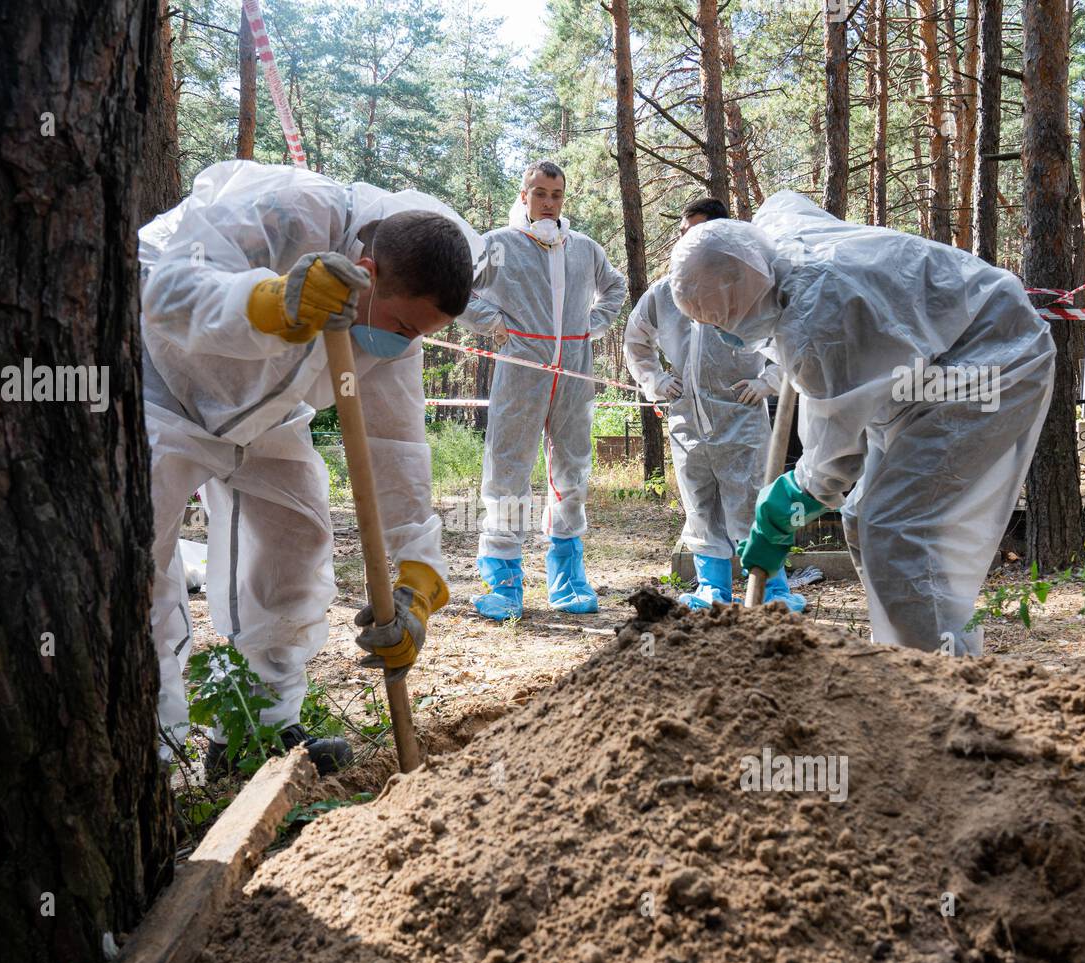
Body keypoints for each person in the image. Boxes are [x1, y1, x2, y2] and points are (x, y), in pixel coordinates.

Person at [140, 160, 482, 771]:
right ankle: (150, 748)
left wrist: (418, 574)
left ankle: (258, 729)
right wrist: (273, 299)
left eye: (419, 335)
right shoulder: (290, 209)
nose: (404, 345)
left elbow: (398, 449)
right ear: (370, 273)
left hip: (267, 412)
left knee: (295, 537)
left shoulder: (395, 320)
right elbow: (166, 293)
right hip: (164, 381)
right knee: (139, 555)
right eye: (403, 326)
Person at [670, 190, 1055, 655]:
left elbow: (834, 463)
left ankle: (937, 679)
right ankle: (900, 655)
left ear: (744, 294)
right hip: (926, 362)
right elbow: (783, 200)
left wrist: (787, 507)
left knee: (898, 527)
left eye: (722, 319)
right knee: (863, 516)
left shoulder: (816, 327)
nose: (722, 333)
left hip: (991, 361)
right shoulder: (771, 240)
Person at [457, 160, 627, 620]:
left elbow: (615, 286)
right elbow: (458, 289)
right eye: (540, 193)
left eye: (556, 194)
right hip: (521, 370)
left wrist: (593, 324)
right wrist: (491, 323)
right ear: (523, 195)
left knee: (572, 470)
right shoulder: (498, 244)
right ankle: (503, 577)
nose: (548, 202)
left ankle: (568, 576)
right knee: (509, 469)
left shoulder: (585, 249)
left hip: (574, 372)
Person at [624, 197, 804, 611]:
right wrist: (656, 380)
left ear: (724, 240)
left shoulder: (750, 286)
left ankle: (772, 589)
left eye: (699, 235)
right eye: (683, 235)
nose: (687, 244)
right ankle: (712, 588)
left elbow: (789, 339)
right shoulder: (665, 293)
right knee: (699, 504)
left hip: (741, 419)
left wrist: (768, 380)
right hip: (688, 420)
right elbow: (637, 341)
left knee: (751, 504)